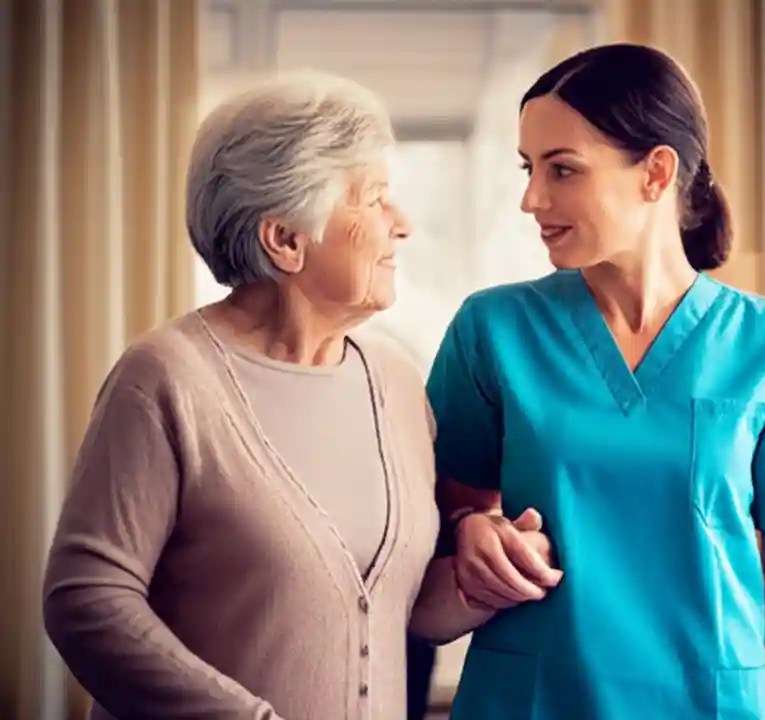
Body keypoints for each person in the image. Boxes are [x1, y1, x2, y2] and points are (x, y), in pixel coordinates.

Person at [42, 72, 560, 720]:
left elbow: (399, 610)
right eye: (374, 200)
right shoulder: (165, 378)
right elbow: (86, 600)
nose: (402, 224)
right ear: (286, 240)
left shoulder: (396, 384)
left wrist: (488, 575)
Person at [429, 44, 765, 719]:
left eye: (562, 170)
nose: (531, 198)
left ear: (656, 172)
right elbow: (442, 522)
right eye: (528, 168)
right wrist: (470, 529)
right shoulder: (492, 331)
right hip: (534, 702)